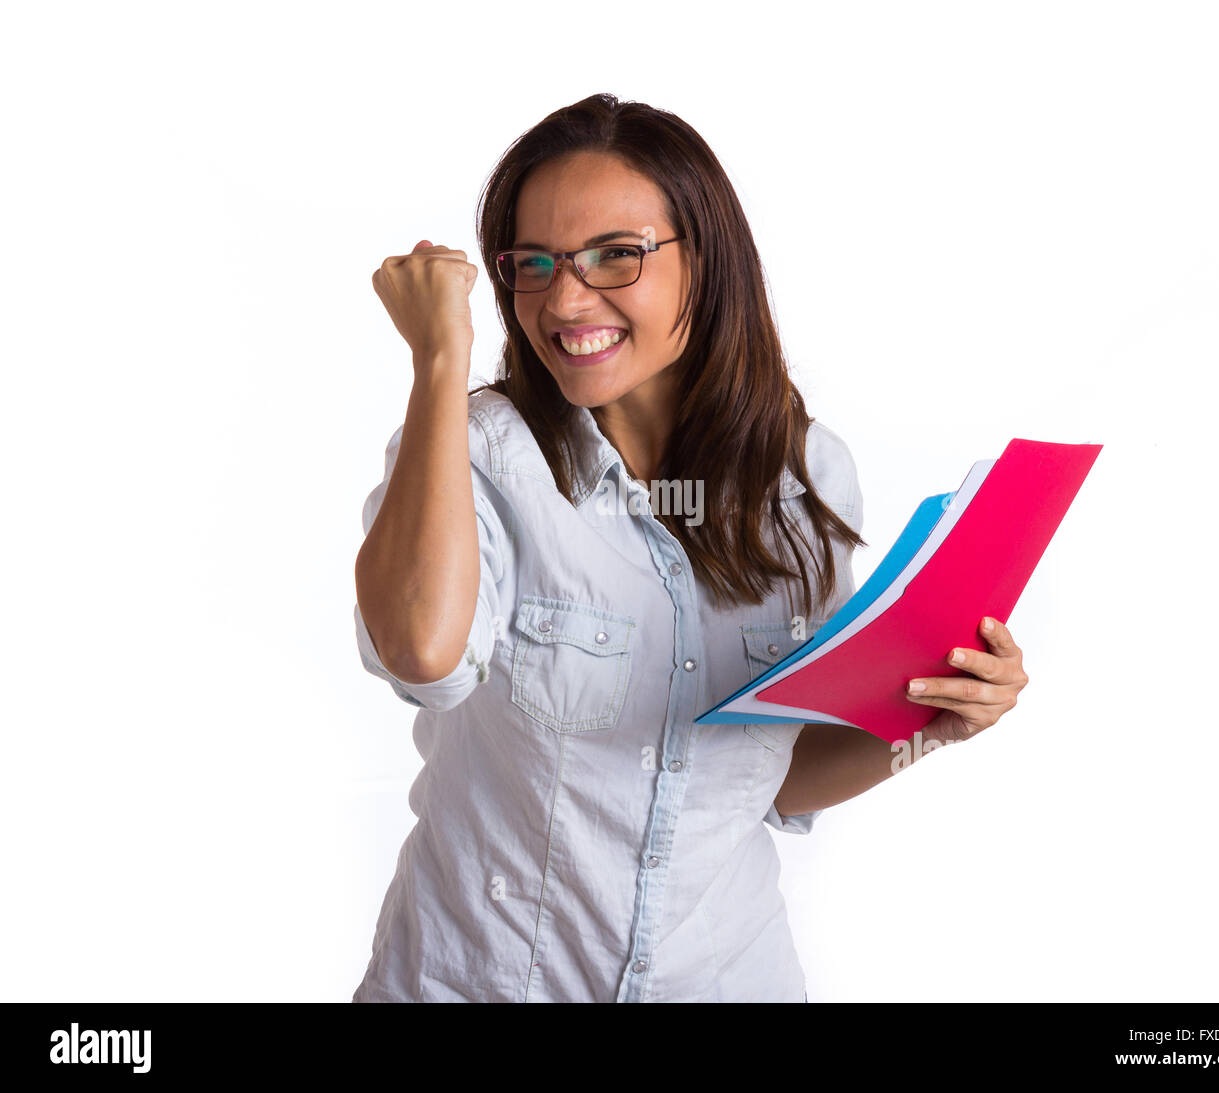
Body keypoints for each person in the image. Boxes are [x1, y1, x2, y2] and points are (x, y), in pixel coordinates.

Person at [351, 93, 1029, 1003]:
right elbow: (423, 654)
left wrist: (929, 726)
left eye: (614, 255)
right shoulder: (476, 455)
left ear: (705, 263)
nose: (564, 297)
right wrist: (439, 359)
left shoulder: (807, 476)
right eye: (535, 262)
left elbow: (776, 780)